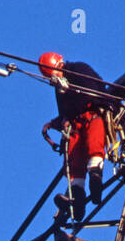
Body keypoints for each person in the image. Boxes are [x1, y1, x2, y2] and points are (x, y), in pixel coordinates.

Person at [39, 52, 115, 222]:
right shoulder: (59, 89)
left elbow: (94, 92)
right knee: (73, 155)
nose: (53, 79)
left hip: (91, 115)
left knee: (93, 142)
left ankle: (95, 175)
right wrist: (55, 123)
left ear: (59, 66)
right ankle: (76, 196)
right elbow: (65, 114)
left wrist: (71, 93)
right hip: (76, 125)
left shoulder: (78, 69)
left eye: (53, 74)